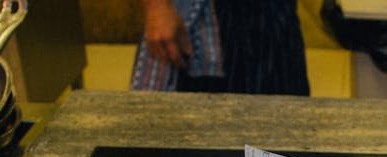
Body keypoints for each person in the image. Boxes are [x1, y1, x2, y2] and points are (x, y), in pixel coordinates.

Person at [131, 0, 310, 95]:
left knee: (288, 135)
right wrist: (157, 6)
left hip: (274, 18)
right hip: (204, 26)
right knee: (193, 142)